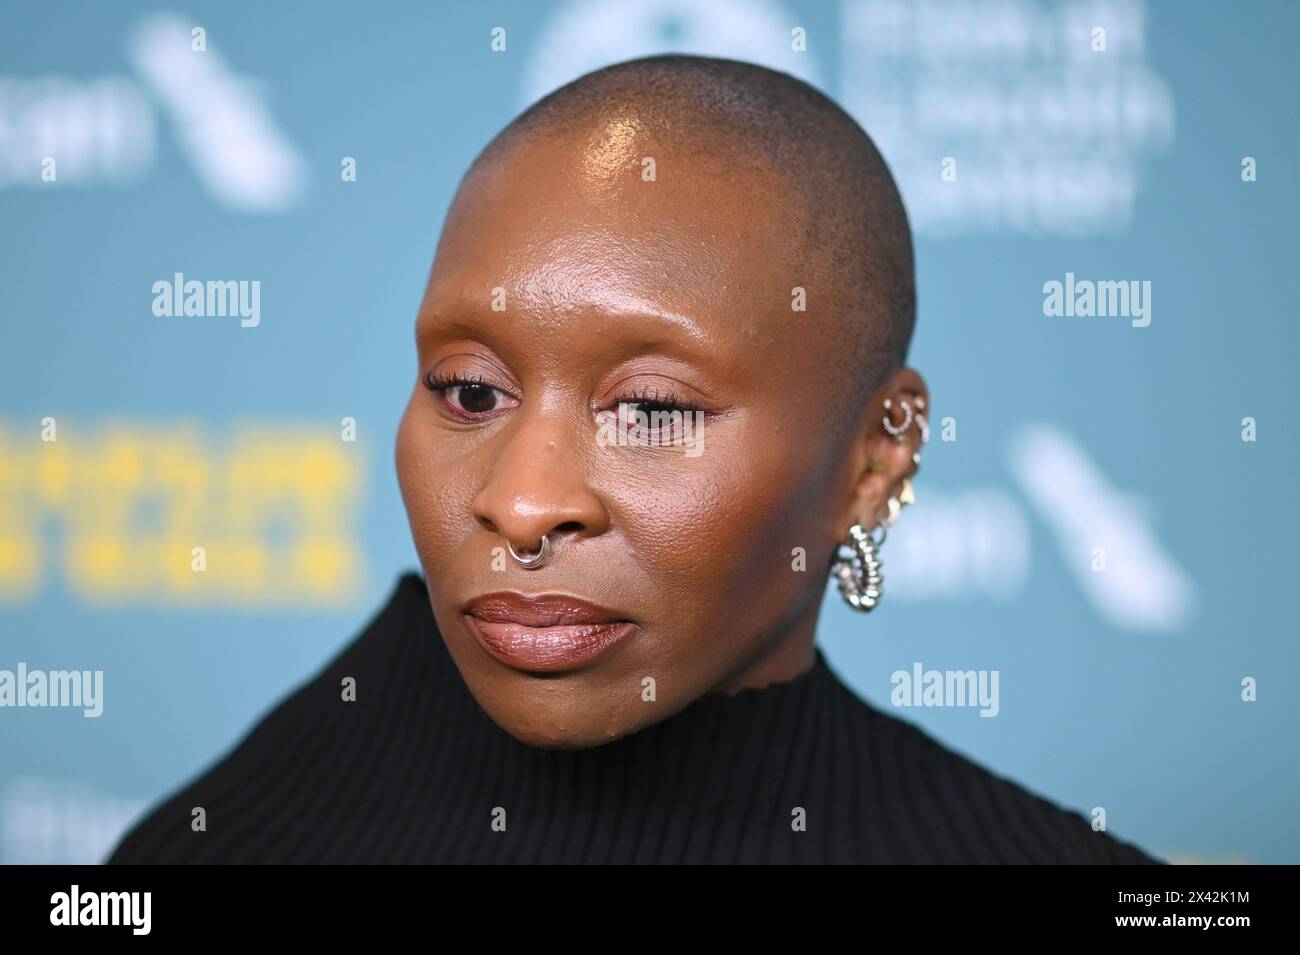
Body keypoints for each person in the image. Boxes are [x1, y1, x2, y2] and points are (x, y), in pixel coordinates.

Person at [106, 54, 1162, 864]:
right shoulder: (236, 831)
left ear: (874, 460)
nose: (522, 504)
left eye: (651, 409)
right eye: (469, 391)